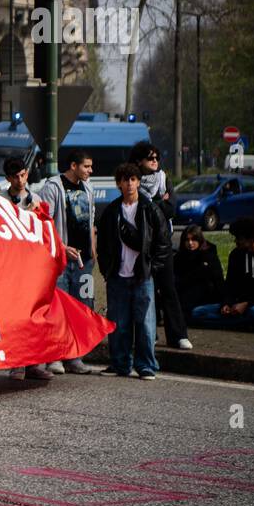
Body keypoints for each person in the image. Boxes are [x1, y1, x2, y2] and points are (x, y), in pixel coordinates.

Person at [95, 162, 169, 379]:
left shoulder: (150, 209)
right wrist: (107, 270)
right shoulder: (111, 212)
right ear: (118, 184)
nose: (129, 184)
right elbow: (103, 246)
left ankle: (146, 366)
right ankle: (120, 364)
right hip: (117, 276)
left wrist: (151, 268)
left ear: (138, 182)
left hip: (142, 276)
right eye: (125, 180)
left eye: (133, 179)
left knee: (146, 325)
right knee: (119, 325)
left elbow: (163, 243)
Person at [34, 148, 97, 377]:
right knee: (58, 310)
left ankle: (75, 357)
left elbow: (90, 221)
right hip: (60, 261)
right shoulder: (53, 188)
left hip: (83, 261)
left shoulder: (88, 188)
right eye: (86, 166)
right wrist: (61, 248)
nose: (90, 170)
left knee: (81, 308)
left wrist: (92, 250)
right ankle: (55, 357)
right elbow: (45, 223)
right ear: (73, 166)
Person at [130, 141, 191, 349]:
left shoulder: (164, 178)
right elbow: (138, 209)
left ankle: (178, 335)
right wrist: (159, 203)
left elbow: (171, 209)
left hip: (163, 246)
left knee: (168, 289)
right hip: (142, 246)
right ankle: (149, 333)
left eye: (157, 158)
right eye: (150, 158)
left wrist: (157, 204)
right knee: (146, 291)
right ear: (139, 161)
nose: (155, 161)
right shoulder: (132, 180)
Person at [191, 217, 254, 333]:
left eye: (239, 238)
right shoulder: (236, 255)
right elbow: (230, 285)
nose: (236, 241)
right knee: (198, 312)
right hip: (236, 305)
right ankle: (241, 324)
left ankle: (231, 323)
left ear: (251, 239)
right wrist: (227, 303)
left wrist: (247, 304)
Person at [174, 224, 224, 320]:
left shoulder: (209, 255)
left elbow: (218, 278)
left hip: (207, 295)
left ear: (199, 240)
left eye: (194, 240)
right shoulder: (179, 257)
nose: (190, 243)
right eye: (187, 240)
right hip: (185, 292)